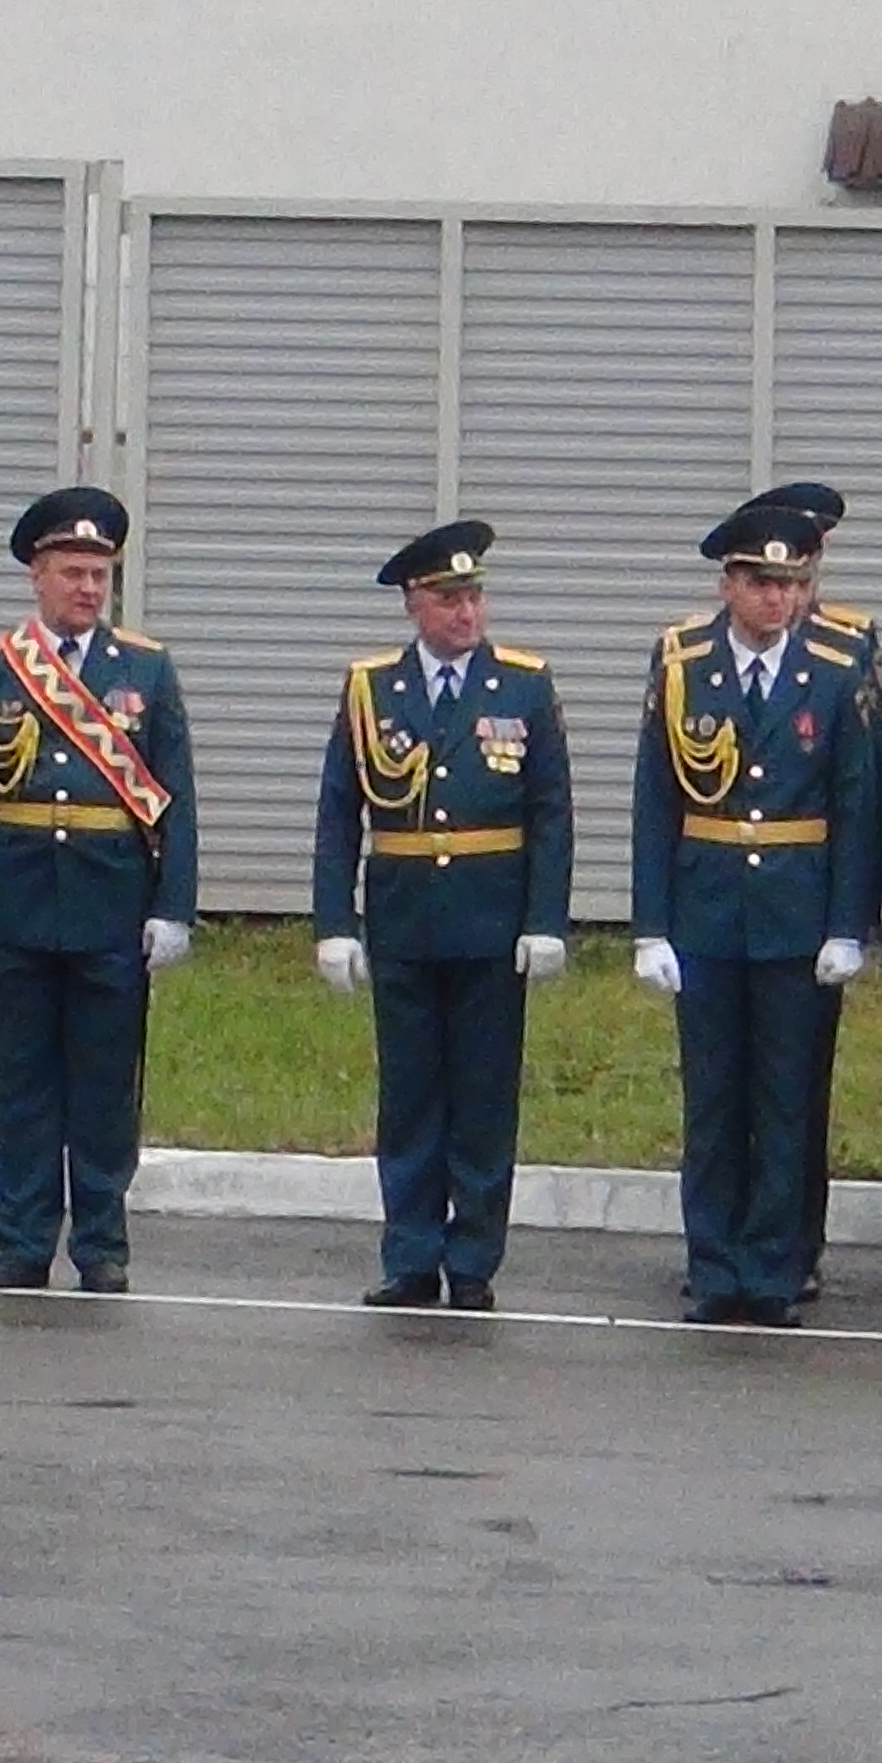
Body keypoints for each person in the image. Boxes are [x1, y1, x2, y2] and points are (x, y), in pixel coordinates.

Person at [0, 486, 195, 1292]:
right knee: (22, 1082)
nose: (87, 588)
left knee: (106, 1085)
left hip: (109, 898)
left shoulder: (144, 669)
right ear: (37, 576)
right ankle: (21, 1239)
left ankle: (103, 1243)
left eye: (100, 574)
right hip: (15, 897)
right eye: (73, 572)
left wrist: (172, 906)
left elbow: (174, 795)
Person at [633, 484, 882, 1327]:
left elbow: (857, 803)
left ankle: (774, 1270)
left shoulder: (837, 668)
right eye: (760, 583)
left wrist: (850, 924)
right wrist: (649, 925)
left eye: (791, 585)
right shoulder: (681, 664)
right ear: (727, 586)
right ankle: (714, 1264)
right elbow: (655, 801)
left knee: (785, 1098)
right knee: (713, 1099)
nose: (778, 598)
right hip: (707, 908)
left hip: (796, 912)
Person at [312, 520, 573, 1311]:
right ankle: (412, 1253)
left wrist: (546, 919)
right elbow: (339, 811)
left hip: (490, 921)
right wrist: (334, 922)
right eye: (449, 598)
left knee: (484, 1097)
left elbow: (550, 811)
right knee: (412, 1095)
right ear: (413, 604)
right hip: (405, 917)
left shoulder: (523, 685)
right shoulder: (371, 690)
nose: (466, 613)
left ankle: (474, 1261)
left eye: (474, 596)